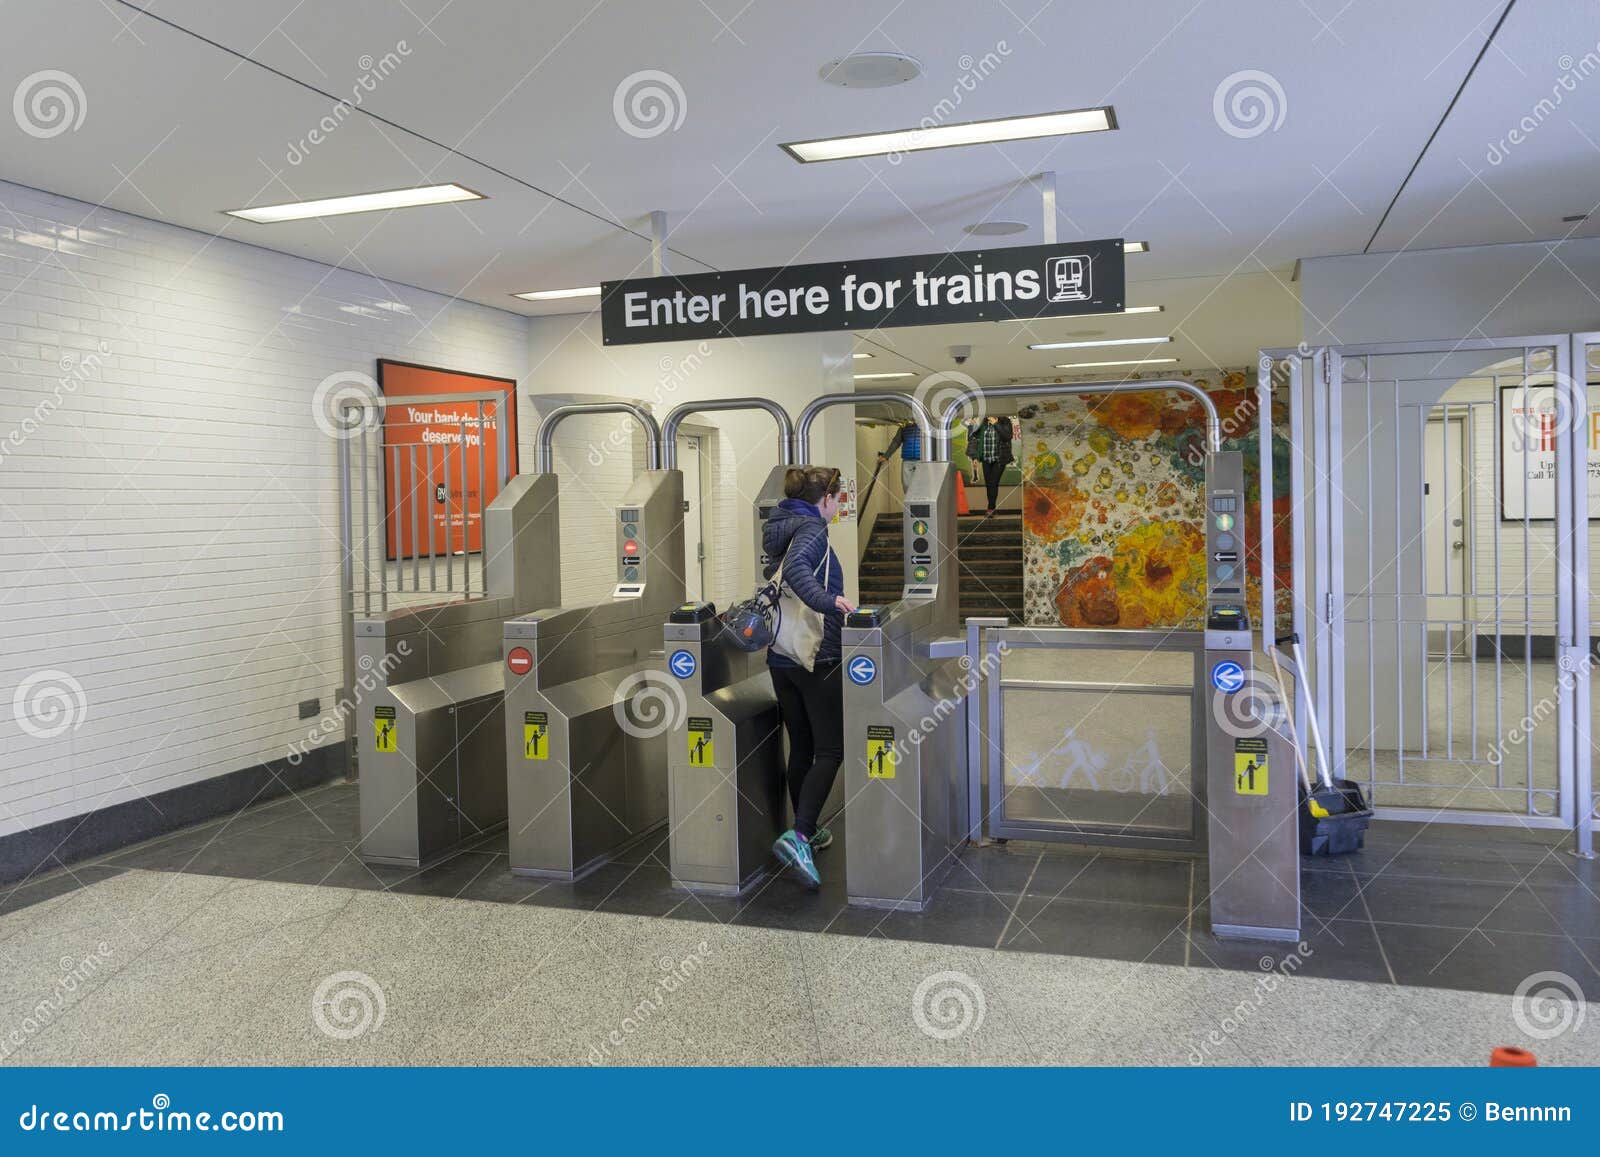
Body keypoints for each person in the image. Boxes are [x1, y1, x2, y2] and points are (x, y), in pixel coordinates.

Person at [761, 465, 854, 887]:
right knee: (831, 750)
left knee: (801, 743)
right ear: (826, 499)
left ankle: (808, 829)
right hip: (816, 655)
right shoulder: (813, 530)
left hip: (782, 655)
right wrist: (831, 601)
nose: (839, 506)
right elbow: (799, 574)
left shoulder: (781, 525)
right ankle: (800, 835)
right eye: (838, 498)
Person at [966, 414, 1013, 516]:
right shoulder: (983, 423)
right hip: (986, 458)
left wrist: (996, 424)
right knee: (989, 484)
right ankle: (991, 508)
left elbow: (1007, 436)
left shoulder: (1005, 421)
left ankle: (990, 508)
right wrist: (971, 426)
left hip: (999, 458)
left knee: (993, 482)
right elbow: (972, 437)